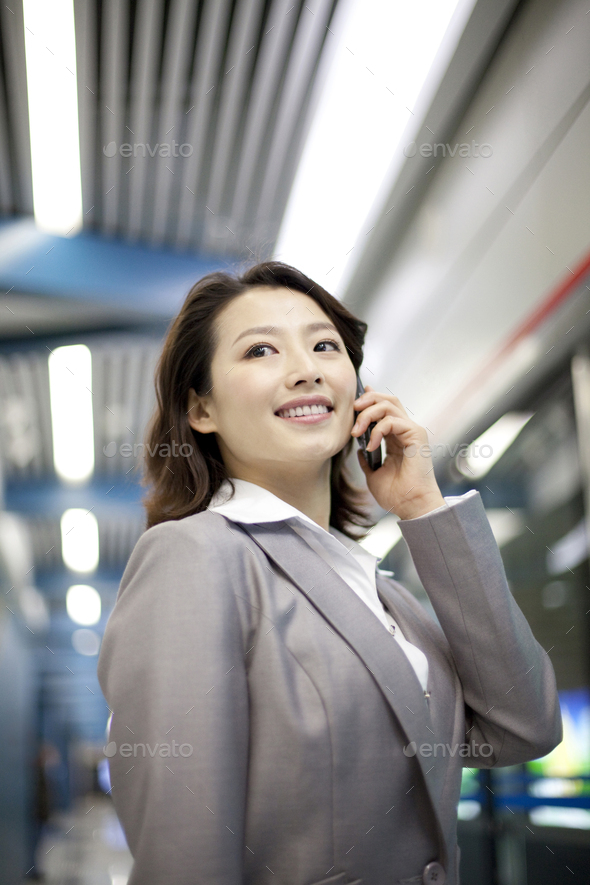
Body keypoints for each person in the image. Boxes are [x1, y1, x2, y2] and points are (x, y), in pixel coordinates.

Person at [97, 261, 562, 885]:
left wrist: (425, 510)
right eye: (260, 350)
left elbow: (522, 728)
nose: (307, 368)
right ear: (201, 409)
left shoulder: (383, 594)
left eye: (324, 346)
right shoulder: (194, 557)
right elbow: (186, 854)